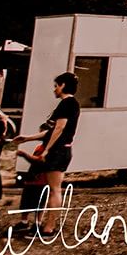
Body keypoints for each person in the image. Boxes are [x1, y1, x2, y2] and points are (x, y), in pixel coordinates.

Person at [13, 71, 79, 237]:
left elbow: (58, 129)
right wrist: (28, 138)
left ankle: (49, 227)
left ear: (63, 85)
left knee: (55, 189)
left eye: (56, 86)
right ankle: (46, 225)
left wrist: (47, 150)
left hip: (58, 151)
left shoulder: (67, 104)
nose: (55, 89)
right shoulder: (71, 104)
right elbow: (50, 131)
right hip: (63, 149)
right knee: (53, 189)